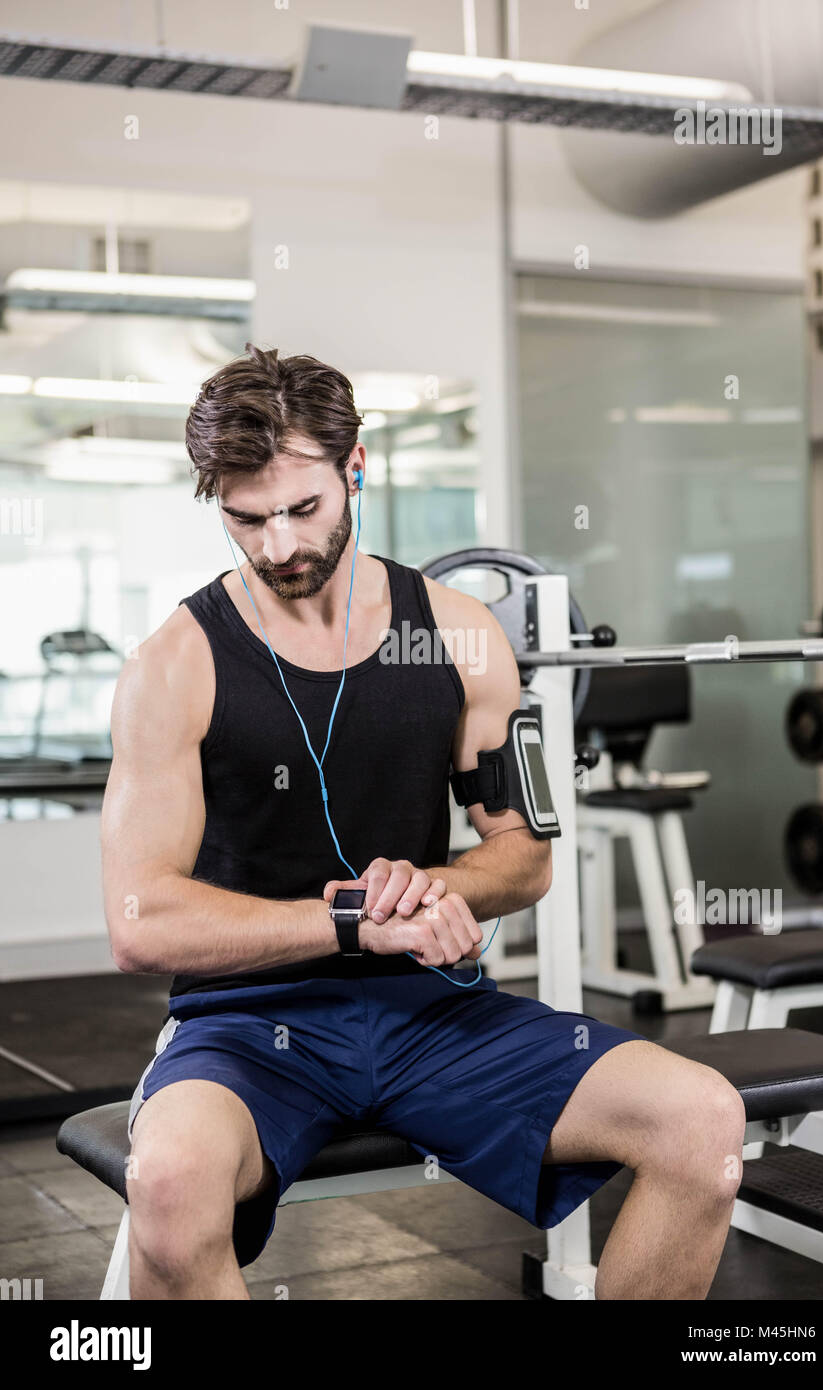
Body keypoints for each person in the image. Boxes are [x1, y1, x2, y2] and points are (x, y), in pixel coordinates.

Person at [101, 344, 745, 1301]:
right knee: (169, 1184)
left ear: (357, 466)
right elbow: (139, 920)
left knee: (701, 1119)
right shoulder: (174, 664)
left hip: (432, 1014)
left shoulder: (461, 636)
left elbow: (525, 856)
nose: (278, 545)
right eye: (246, 519)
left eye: (303, 508)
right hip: (246, 1026)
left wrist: (438, 889)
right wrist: (353, 919)